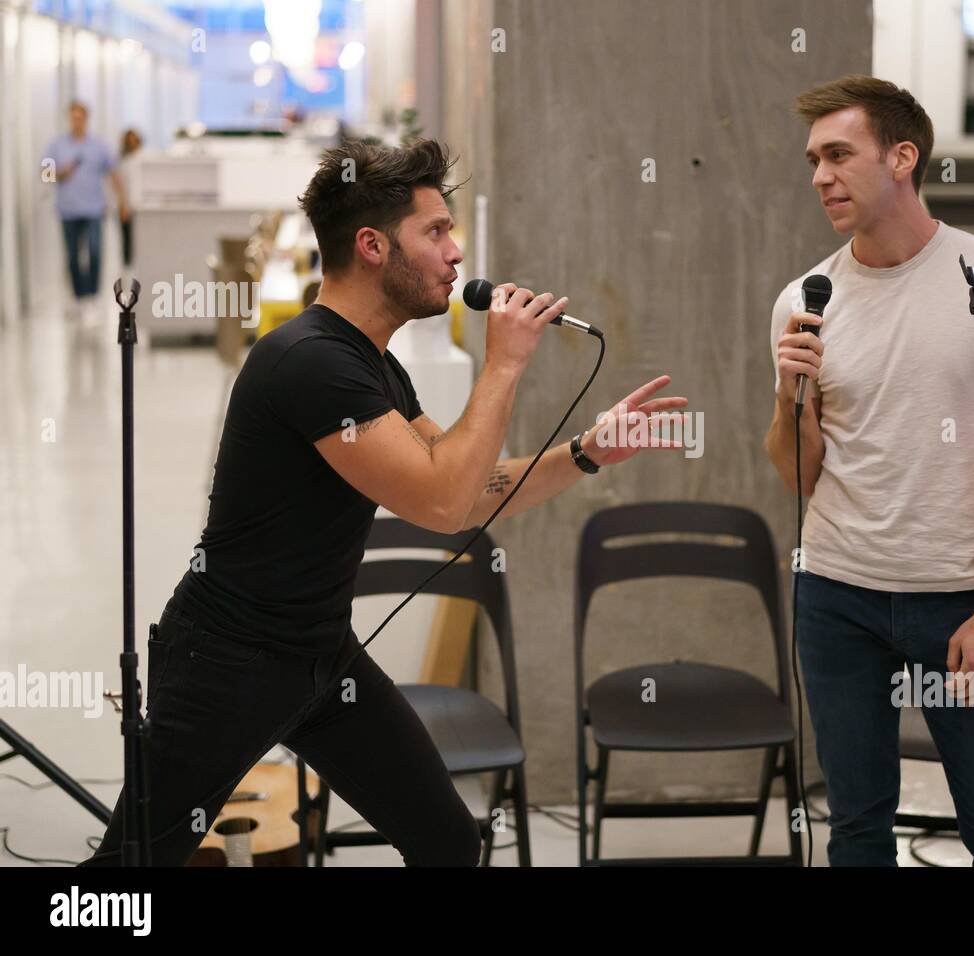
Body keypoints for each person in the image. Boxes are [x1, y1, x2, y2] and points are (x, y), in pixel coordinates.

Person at [83, 138, 689, 866]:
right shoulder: (309, 362)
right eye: (436, 232)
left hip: (317, 656)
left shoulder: (371, 366)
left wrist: (587, 451)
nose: (456, 253)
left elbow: (468, 495)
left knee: (447, 844)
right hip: (227, 664)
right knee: (126, 875)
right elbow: (439, 503)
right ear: (372, 246)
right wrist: (502, 364)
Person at [763, 75, 974, 866]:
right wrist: (793, 397)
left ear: (902, 157)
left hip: (959, 598)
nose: (820, 176)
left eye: (838, 154)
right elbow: (796, 473)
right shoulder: (805, 298)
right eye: (813, 160)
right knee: (856, 828)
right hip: (835, 594)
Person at [43, 102, 129, 318]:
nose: (76, 122)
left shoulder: (99, 145)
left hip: (94, 208)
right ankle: (78, 297)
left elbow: (114, 174)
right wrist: (61, 173)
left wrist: (123, 202)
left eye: (80, 118)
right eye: (73, 118)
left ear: (86, 119)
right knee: (72, 255)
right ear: (69, 119)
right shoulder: (57, 145)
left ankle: (92, 296)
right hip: (68, 209)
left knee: (94, 251)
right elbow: (45, 175)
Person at [118, 129, 143, 269]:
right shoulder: (123, 161)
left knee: (141, 240)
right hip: (127, 207)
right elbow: (121, 185)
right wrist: (123, 206)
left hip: (142, 207)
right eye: (129, 140)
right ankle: (127, 271)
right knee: (127, 242)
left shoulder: (144, 158)